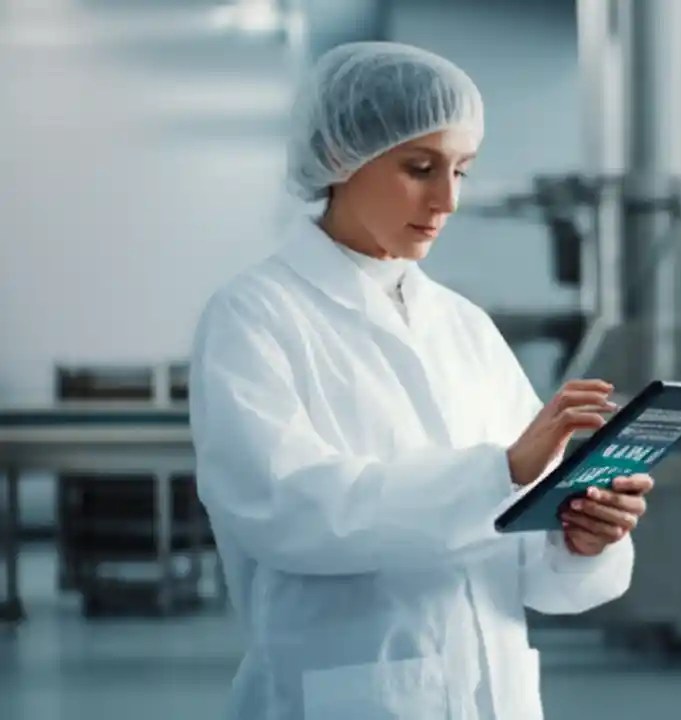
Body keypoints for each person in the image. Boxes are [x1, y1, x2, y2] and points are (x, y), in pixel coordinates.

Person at [190, 42, 652, 720]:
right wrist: (501, 472)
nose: (448, 199)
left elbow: (528, 567)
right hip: (349, 699)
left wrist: (579, 538)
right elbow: (284, 510)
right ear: (341, 156)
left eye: (461, 170)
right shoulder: (256, 314)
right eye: (420, 168)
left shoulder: (463, 326)